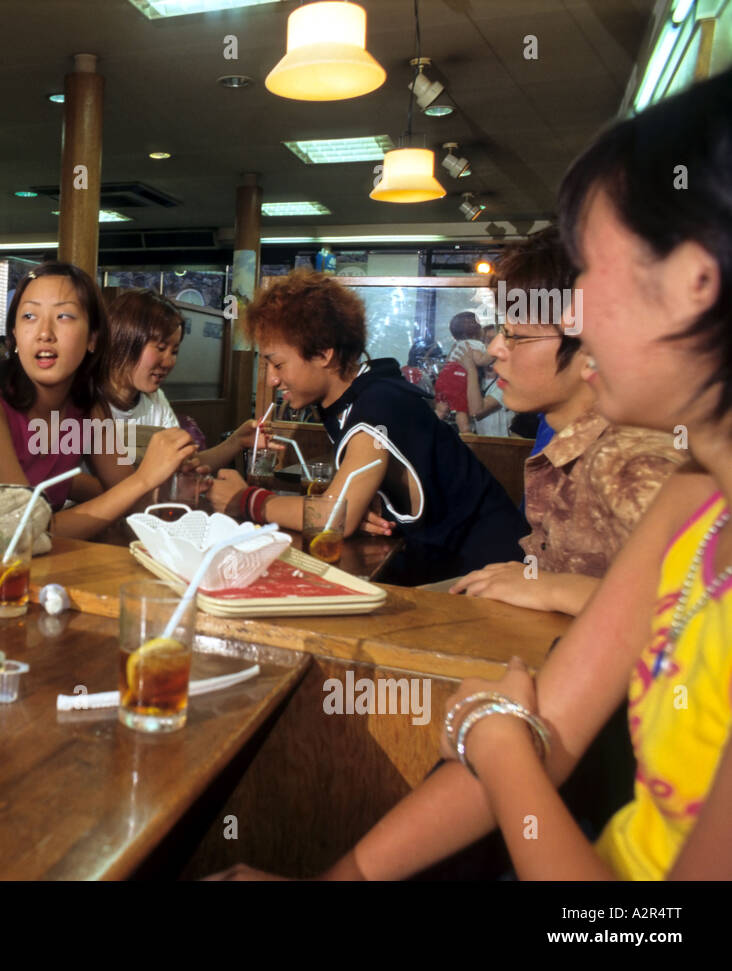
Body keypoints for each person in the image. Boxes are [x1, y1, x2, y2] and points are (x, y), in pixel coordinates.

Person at [216, 67, 732, 881]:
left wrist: (499, 745)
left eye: (589, 274)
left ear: (694, 280)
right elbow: (554, 721)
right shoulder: (693, 497)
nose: (566, 315)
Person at [208, 268, 528, 586]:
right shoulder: (365, 391)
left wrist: (246, 499)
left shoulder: (375, 408)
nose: (271, 380)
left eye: (277, 364)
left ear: (323, 353)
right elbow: (348, 508)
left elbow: (332, 519)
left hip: (493, 578)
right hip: (455, 565)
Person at [448, 228, 684, 615]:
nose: (494, 350)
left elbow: (702, 615)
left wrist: (561, 590)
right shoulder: (574, 441)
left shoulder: (634, 461)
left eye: (516, 336)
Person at [0, 262, 195, 540]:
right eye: (29, 316)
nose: (44, 333)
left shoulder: (88, 409)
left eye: (63, 316)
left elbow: (128, 499)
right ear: (14, 335)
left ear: (92, 338)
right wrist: (144, 478)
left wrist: (176, 487)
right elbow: (26, 532)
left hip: (22, 569)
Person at [97, 288, 263, 481]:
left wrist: (237, 441)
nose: (168, 362)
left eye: (174, 351)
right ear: (124, 340)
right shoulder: (87, 400)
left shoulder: (154, 399)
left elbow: (186, 463)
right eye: (160, 348)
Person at [434, 311, 500, 433]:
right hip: (459, 380)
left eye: (492, 341)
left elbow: (449, 361)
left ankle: (433, 424)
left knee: (442, 407)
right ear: (478, 331)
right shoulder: (474, 345)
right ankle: (465, 432)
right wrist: (496, 351)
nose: (487, 346)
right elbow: (481, 361)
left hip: (444, 378)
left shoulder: (456, 345)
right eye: (487, 341)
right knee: (461, 410)